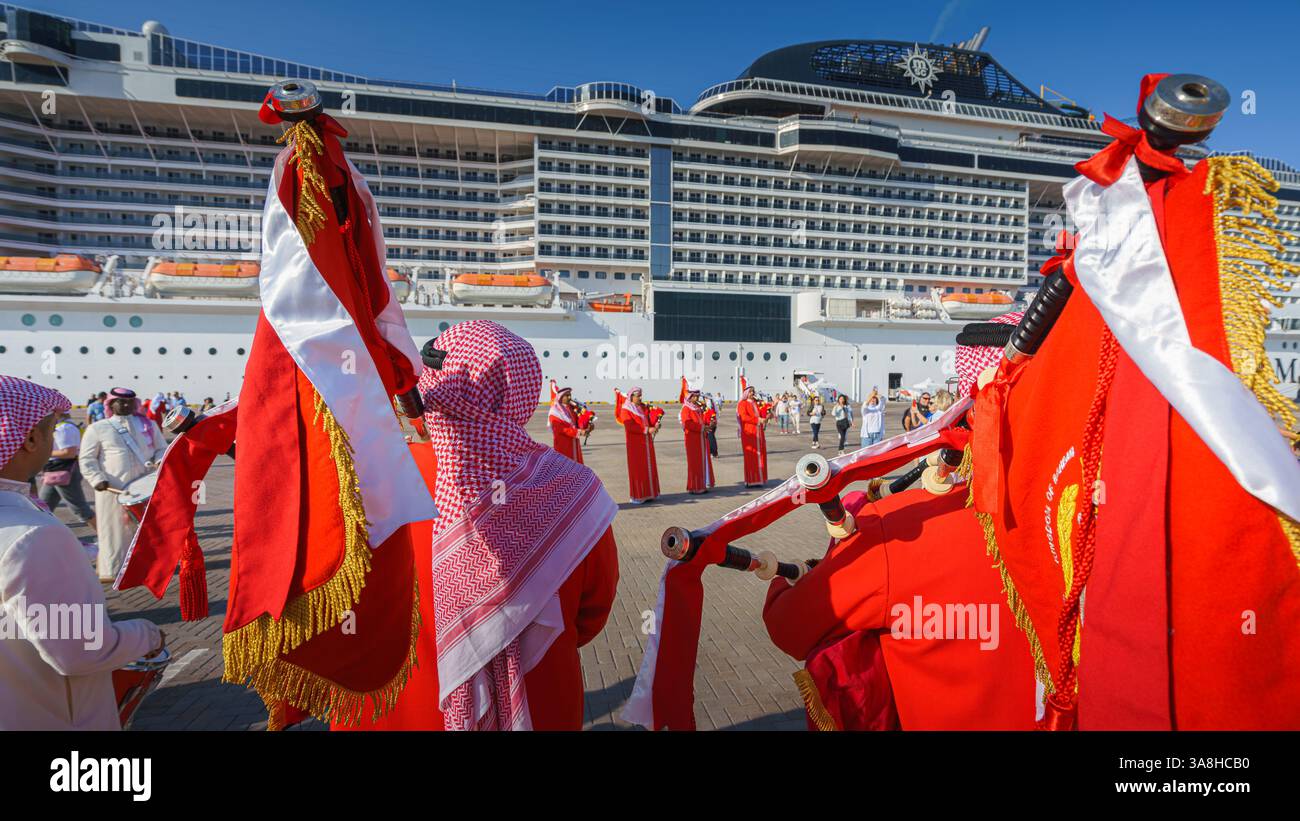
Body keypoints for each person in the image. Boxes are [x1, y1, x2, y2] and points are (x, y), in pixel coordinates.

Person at [414, 320, 619, 729]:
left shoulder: (375, 480)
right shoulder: (573, 487)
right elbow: (594, 607)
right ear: (520, 393)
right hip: (542, 692)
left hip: (416, 700)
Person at [0, 376, 164, 730]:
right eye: (50, 429)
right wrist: (148, 634)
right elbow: (82, 649)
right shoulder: (33, 537)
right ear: (30, 440)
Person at [78, 388, 166, 582]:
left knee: (144, 531)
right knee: (113, 530)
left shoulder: (149, 425)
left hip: (144, 489)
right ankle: (113, 570)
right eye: (120, 402)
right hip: (111, 489)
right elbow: (87, 459)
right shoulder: (98, 428)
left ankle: (145, 570)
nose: (125, 405)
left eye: (129, 402)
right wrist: (96, 479)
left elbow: (161, 449)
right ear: (110, 404)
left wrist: (160, 461)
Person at [37, 409, 96, 533]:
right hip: (56, 472)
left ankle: (106, 539)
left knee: (80, 509)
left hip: (64, 472)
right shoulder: (63, 426)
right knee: (43, 508)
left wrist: (45, 452)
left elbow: (69, 452)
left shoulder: (64, 429)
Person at [615, 387, 660, 503]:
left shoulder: (640, 408)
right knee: (638, 469)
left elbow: (646, 422)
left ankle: (649, 493)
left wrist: (655, 425)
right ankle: (638, 495)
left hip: (646, 443)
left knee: (648, 467)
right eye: (638, 396)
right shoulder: (626, 410)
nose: (640, 398)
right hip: (636, 445)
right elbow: (630, 427)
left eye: (640, 396)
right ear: (631, 397)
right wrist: (646, 430)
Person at [680, 388, 715, 495]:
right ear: (690, 397)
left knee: (701, 463)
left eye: (697, 396)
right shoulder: (686, 409)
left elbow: (701, 422)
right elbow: (687, 424)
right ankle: (694, 487)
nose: (696, 398)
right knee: (694, 464)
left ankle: (701, 485)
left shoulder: (697, 408)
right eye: (694, 396)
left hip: (700, 439)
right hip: (692, 440)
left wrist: (708, 426)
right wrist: (701, 428)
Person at [736, 385, 768, 487]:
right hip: (749, 432)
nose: (752, 393)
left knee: (760, 455)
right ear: (746, 393)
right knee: (751, 456)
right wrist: (757, 420)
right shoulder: (742, 403)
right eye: (750, 392)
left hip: (758, 432)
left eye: (753, 392)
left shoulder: (755, 403)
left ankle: (759, 479)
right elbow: (744, 417)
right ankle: (751, 480)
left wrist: (768, 412)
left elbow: (761, 414)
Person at [548, 385, 585, 463]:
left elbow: (577, 422)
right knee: (564, 467)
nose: (569, 397)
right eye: (567, 395)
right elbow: (560, 429)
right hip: (563, 445)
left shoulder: (571, 409)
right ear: (561, 397)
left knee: (576, 466)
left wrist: (586, 426)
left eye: (570, 395)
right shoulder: (554, 412)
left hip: (574, 443)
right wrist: (578, 432)